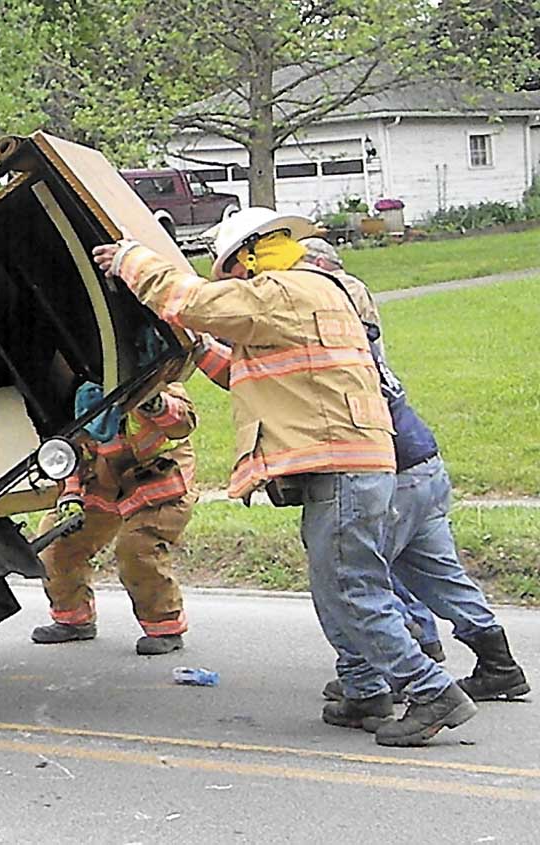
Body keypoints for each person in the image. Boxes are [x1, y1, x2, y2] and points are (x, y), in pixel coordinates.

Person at [92, 208, 477, 747]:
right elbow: (252, 377)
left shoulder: (283, 291)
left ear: (250, 255)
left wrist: (132, 259)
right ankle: (364, 688)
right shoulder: (317, 292)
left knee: (351, 586)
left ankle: (431, 690)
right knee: (335, 585)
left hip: (342, 464)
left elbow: (194, 301)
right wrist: (202, 349)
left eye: (229, 268)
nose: (230, 281)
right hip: (349, 461)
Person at [297, 237, 529, 718]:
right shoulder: (361, 327)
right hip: (423, 461)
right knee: (437, 573)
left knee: (347, 580)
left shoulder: (316, 336)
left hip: (382, 471)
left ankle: (369, 681)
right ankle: (498, 664)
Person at [31, 381, 198, 655]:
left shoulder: (150, 377)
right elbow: (66, 451)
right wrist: (71, 495)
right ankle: (74, 620)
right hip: (103, 482)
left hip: (157, 482)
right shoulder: (65, 396)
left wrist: (157, 405)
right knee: (55, 541)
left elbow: (184, 423)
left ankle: (164, 628)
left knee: (137, 548)